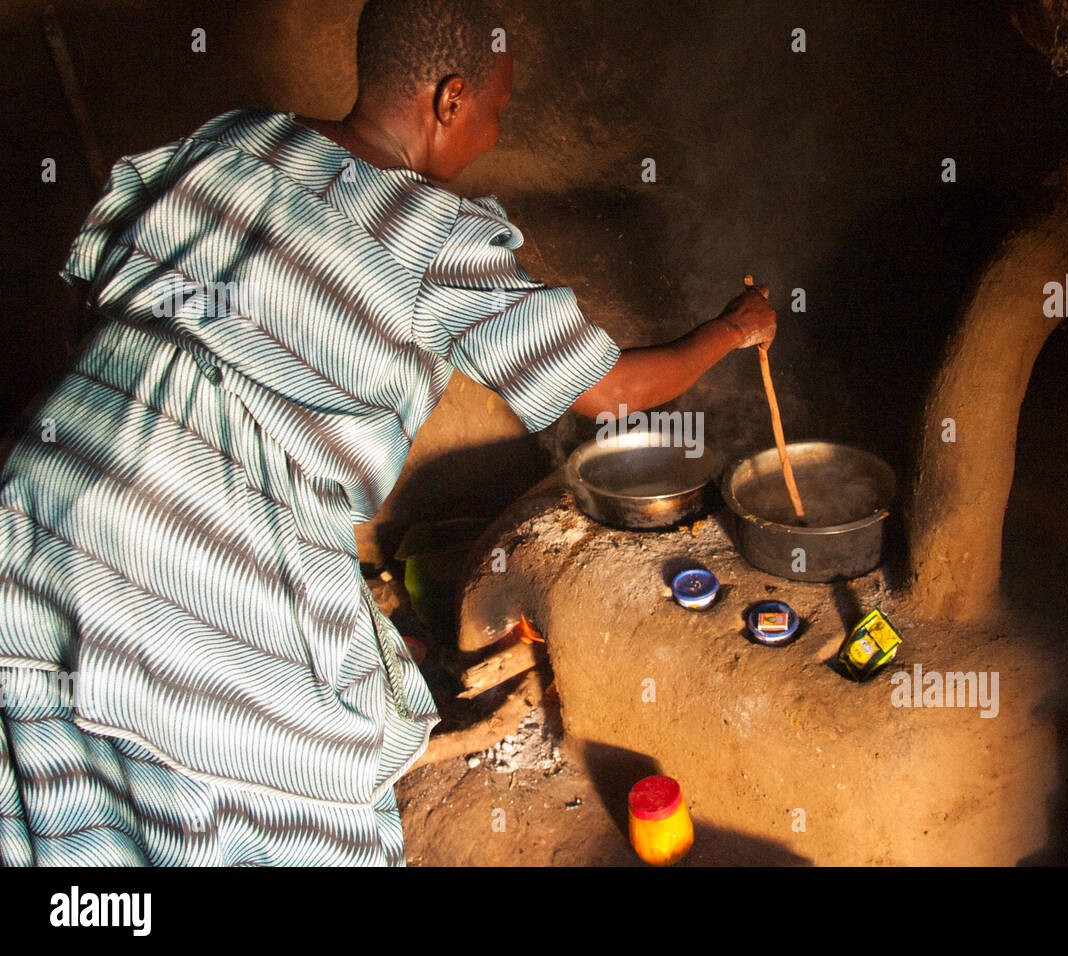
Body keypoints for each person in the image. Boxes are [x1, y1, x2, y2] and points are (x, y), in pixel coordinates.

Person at [0, 0, 775, 866]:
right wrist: (732, 329)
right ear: (449, 100)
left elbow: (93, 284)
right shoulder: (433, 236)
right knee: (292, 796)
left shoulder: (239, 140)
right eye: (496, 110)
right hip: (198, 542)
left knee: (86, 806)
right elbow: (610, 392)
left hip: (38, 499)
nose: (493, 131)